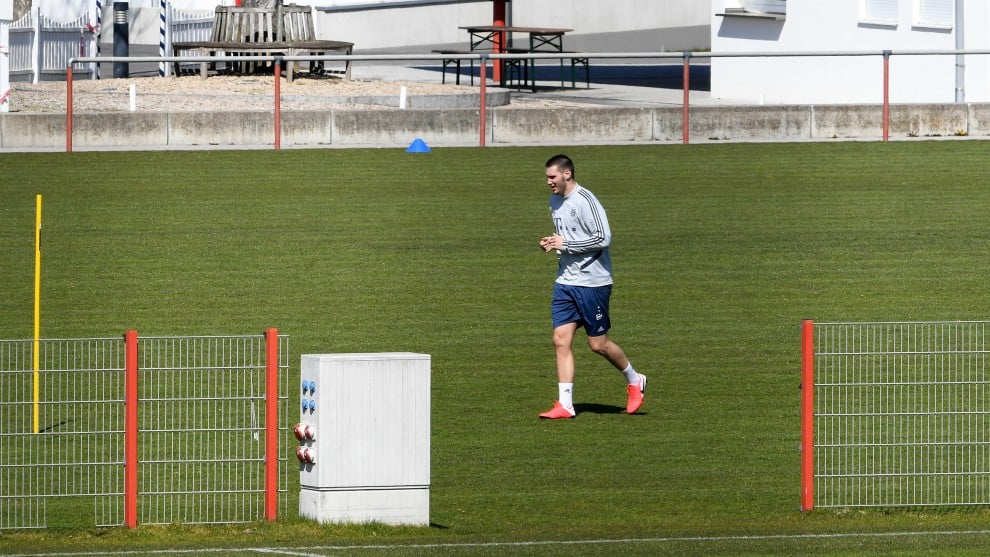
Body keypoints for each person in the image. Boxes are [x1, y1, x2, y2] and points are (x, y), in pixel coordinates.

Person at [538, 154, 647, 419]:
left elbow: (603, 237)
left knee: (597, 345)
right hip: (565, 281)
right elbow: (567, 237)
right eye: (546, 178)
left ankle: (635, 380)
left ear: (567, 174)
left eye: (552, 177)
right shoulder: (554, 201)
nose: (548, 182)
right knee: (560, 340)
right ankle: (566, 404)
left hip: (592, 284)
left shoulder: (586, 200)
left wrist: (567, 245)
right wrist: (553, 243)